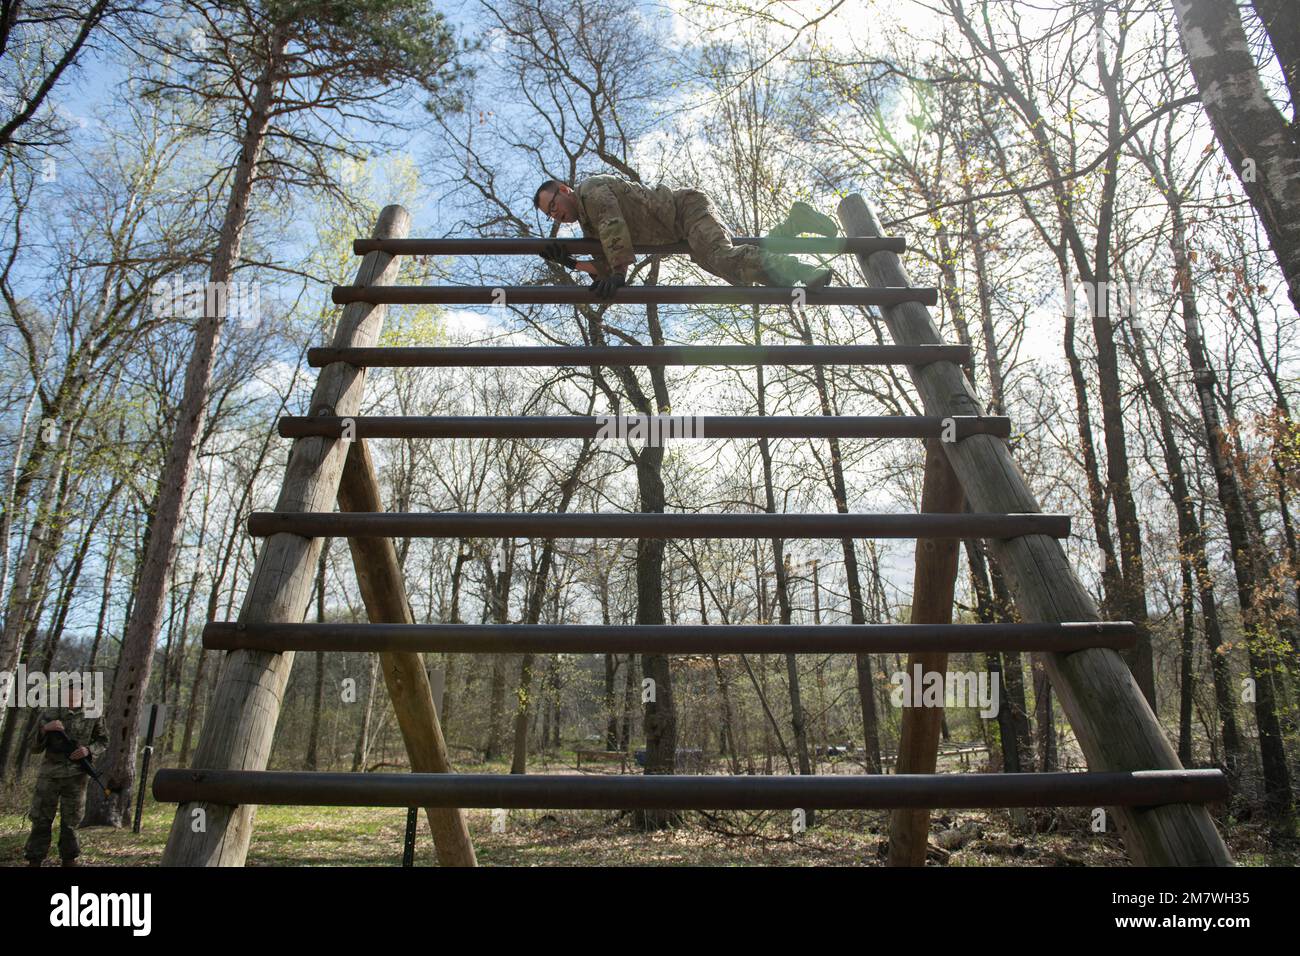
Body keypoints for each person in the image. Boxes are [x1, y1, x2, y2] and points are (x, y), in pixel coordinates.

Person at [533, 175, 839, 296]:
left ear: (564, 190)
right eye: (549, 214)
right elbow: (605, 269)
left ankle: (806, 272)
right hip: (680, 233)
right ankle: (794, 224)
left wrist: (620, 271)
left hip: (685, 212)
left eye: (553, 205)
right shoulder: (588, 226)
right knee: (741, 271)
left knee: (723, 259)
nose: (554, 214)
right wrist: (571, 263)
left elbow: (613, 227)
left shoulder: (590, 191)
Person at [24, 684, 106, 867]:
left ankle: (69, 859)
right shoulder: (50, 713)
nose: (71, 702)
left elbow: (103, 740)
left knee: (72, 822)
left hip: (77, 776)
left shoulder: (93, 713)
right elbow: (33, 746)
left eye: (75, 697)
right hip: (50, 775)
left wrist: (88, 750)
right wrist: (45, 729)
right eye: (68, 698)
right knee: (41, 819)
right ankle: (34, 859)